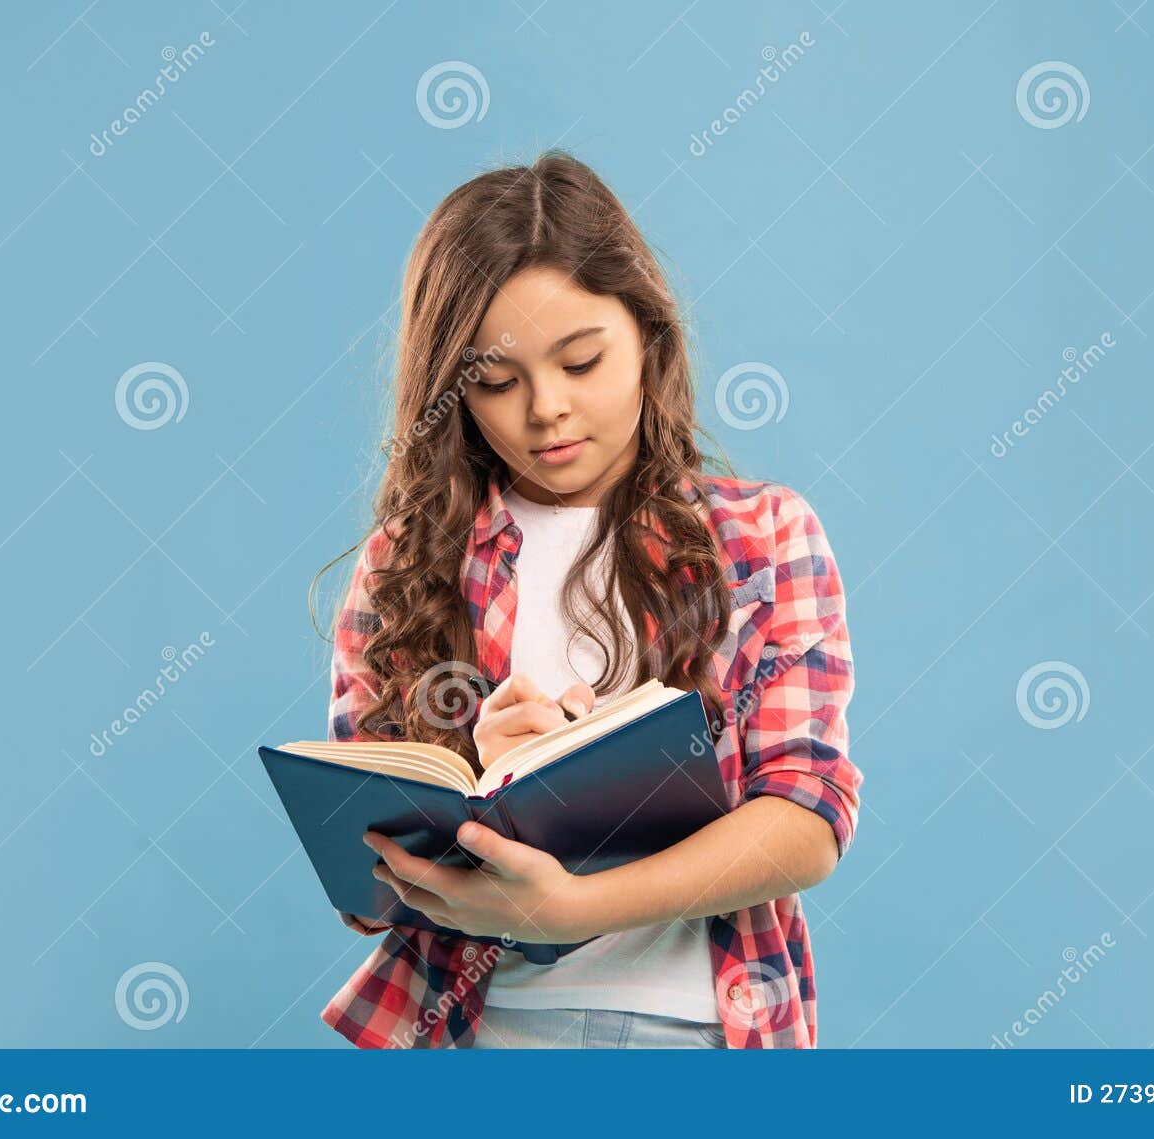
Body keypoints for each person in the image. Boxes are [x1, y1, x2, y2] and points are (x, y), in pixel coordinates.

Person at [311, 151, 860, 1048]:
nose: (547, 410)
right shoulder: (404, 566)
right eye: (497, 380)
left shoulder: (762, 539)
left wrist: (576, 908)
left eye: (581, 360)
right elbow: (368, 891)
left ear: (648, 334)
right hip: (480, 1033)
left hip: (699, 1033)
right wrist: (476, 783)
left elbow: (805, 816)